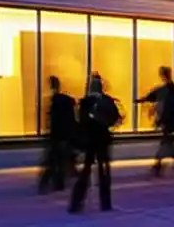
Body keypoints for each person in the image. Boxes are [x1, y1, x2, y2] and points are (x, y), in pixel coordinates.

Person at [69, 73, 121, 214]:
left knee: (86, 170)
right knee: (103, 171)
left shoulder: (85, 102)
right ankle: (105, 203)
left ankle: (76, 203)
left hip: (90, 139)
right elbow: (115, 118)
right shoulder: (107, 101)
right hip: (102, 139)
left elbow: (80, 121)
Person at [136, 65, 174, 176]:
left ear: (163, 75)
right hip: (172, 119)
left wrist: (140, 100)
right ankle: (171, 164)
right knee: (168, 141)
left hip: (167, 119)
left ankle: (159, 165)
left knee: (166, 141)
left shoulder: (164, 90)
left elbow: (152, 96)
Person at [39, 75, 77, 194]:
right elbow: (71, 120)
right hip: (64, 135)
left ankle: (50, 183)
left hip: (57, 135)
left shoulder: (56, 102)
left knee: (54, 160)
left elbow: (54, 121)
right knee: (60, 160)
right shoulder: (65, 102)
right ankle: (57, 183)